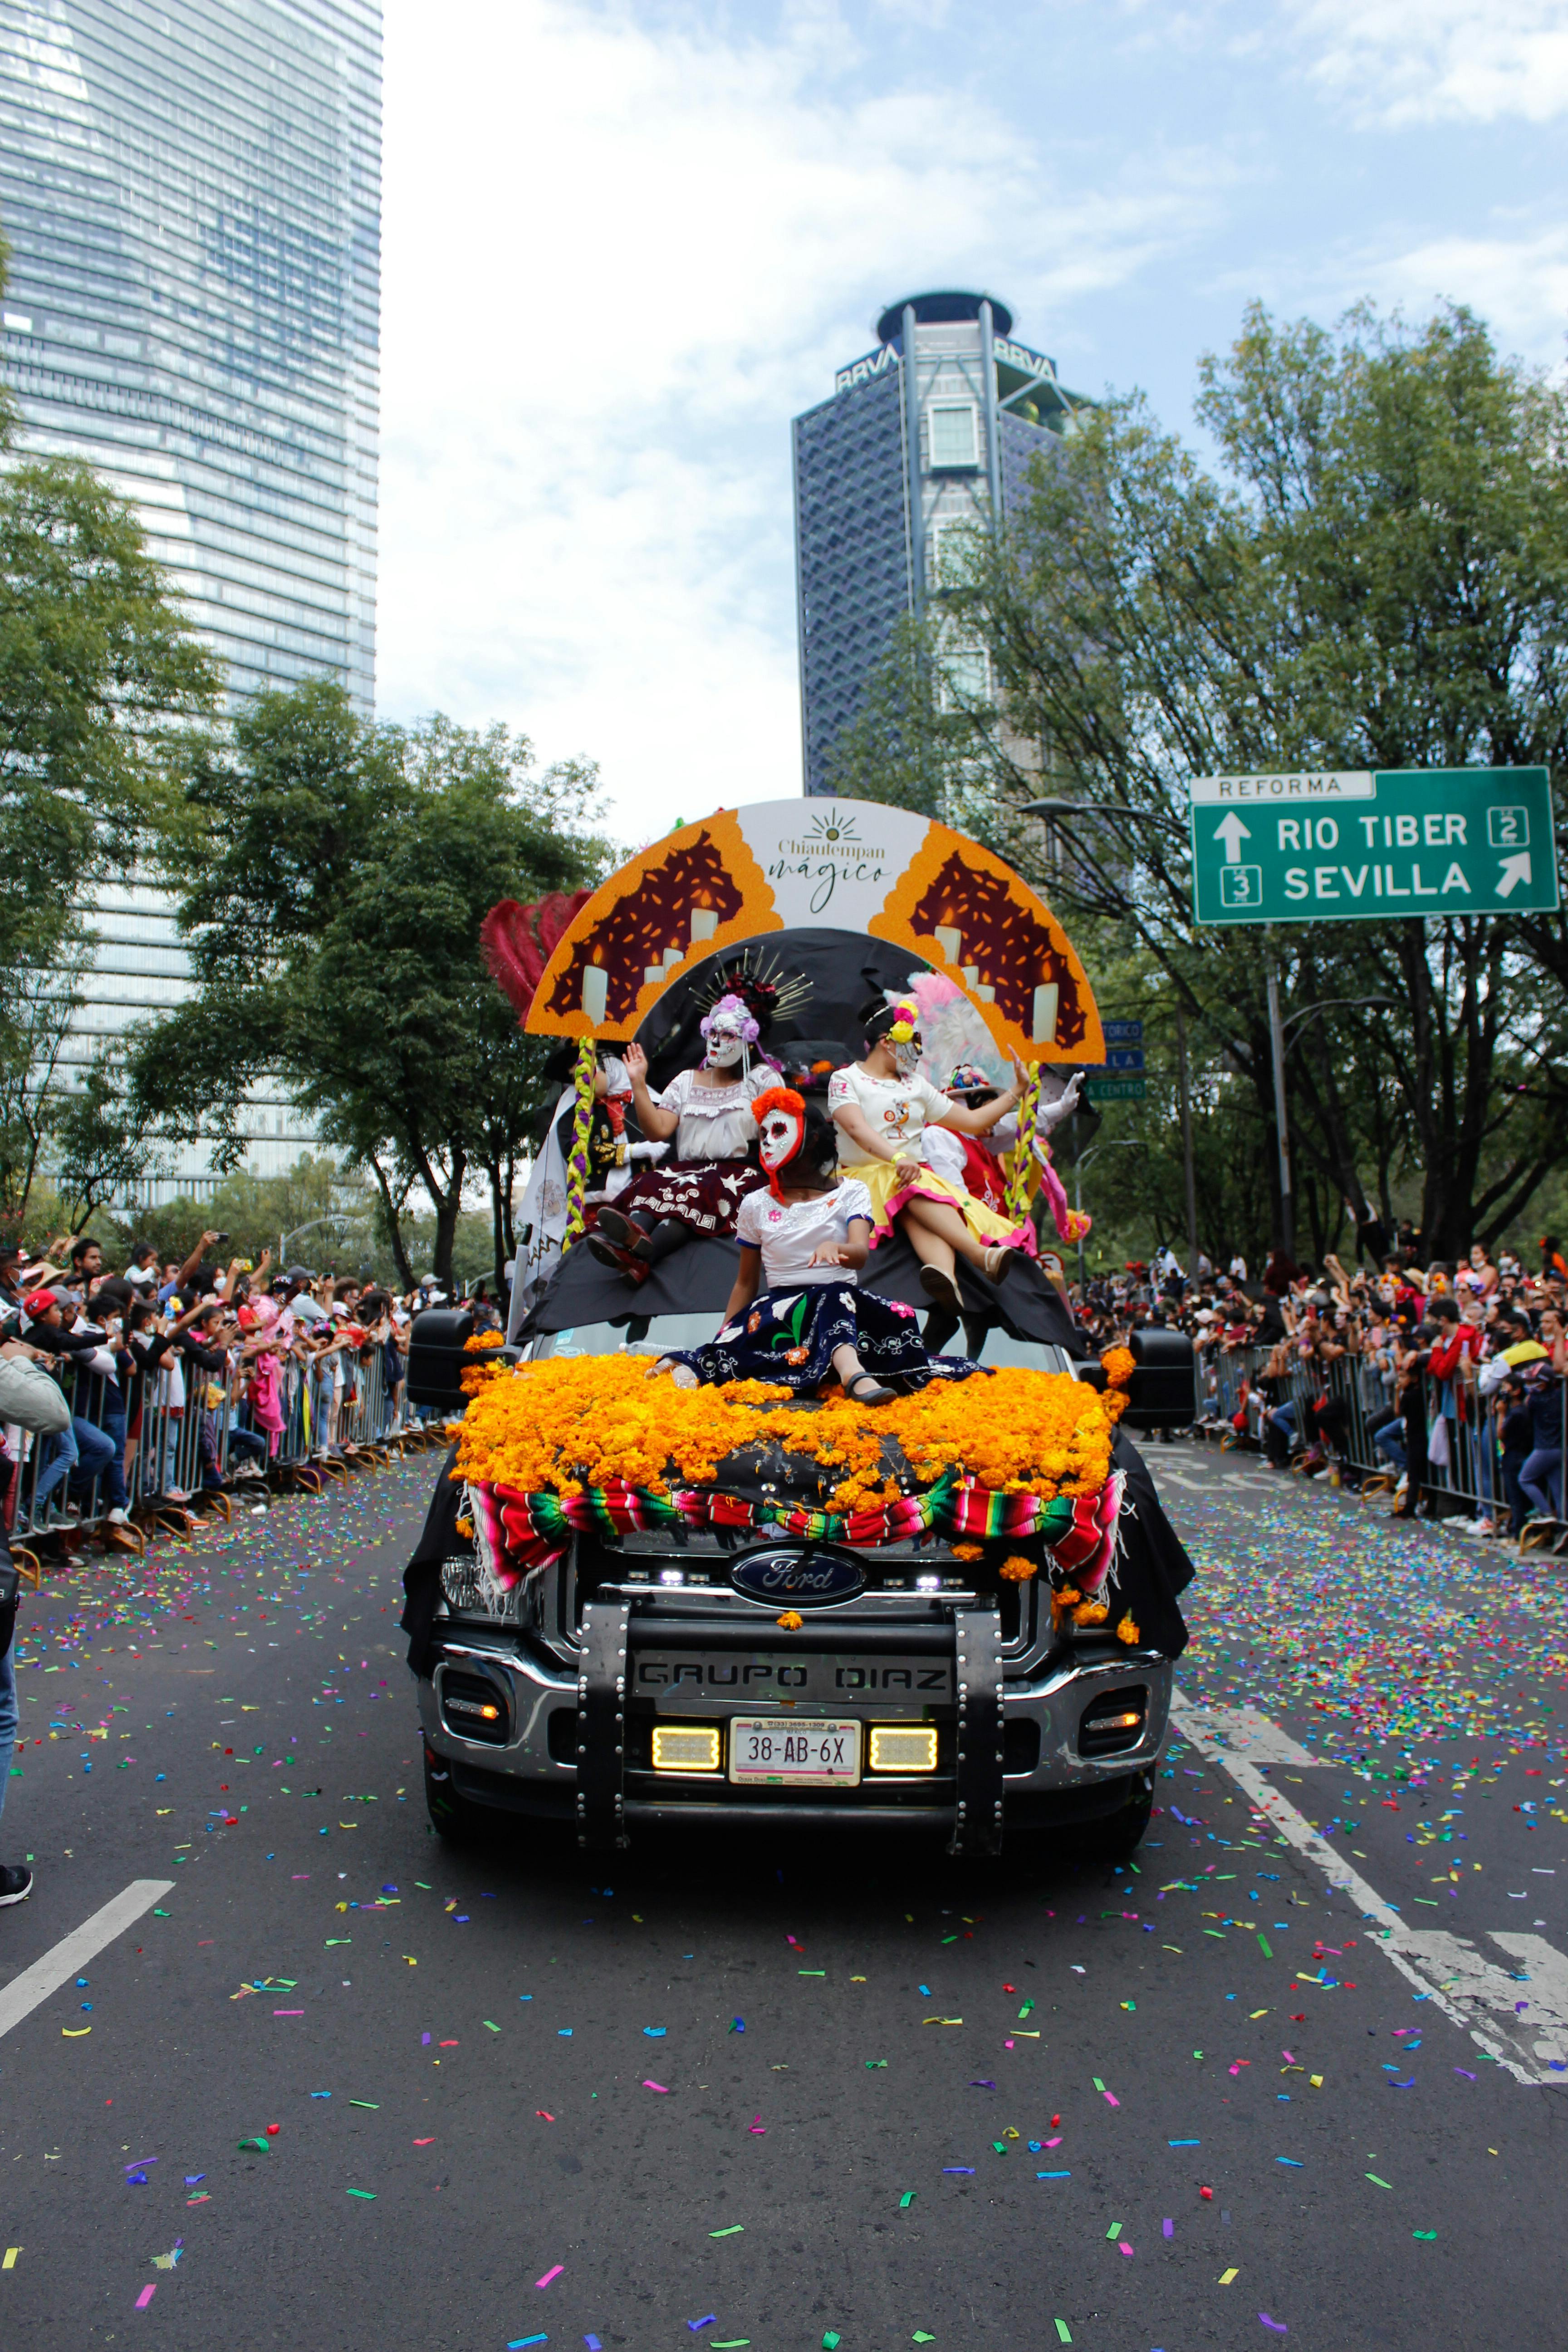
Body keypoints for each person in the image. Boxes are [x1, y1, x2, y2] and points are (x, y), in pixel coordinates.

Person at [650, 1092, 973, 1402]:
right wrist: (723, 1339)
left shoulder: (852, 1192)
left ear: (814, 1138)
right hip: (782, 1313)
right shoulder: (754, 1204)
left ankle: (848, 1369)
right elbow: (745, 1283)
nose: (769, 1142)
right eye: (763, 1135)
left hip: (844, 1307)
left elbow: (860, 1255)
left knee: (868, 1306)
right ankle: (854, 1377)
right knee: (812, 1307)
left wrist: (840, 1249)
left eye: (779, 1131)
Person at [826, 996, 1040, 1312]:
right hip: (864, 1177)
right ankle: (980, 1256)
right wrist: (898, 1159)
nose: (919, 1052)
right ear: (888, 1042)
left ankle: (946, 1280)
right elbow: (857, 1130)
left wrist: (1018, 1091)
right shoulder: (846, 1079)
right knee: (909, 1182)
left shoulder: (917, 1085)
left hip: (911, 1177)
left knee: (915, 1188)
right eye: (914, 1043)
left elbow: (973, 1122)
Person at [589, 993, 776, 1280]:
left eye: (727, 1034)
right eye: (712, 1032)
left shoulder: (760, 1080)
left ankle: (640, 1257)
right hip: (686, 1170)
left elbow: (780, 1130)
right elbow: (658, 1130)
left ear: (746, 1040)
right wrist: (638, 1083)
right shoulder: (686, 1081)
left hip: (738, 1173)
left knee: (699, 1194)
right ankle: (628, 1246)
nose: (716, 1041)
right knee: (650, 1182)